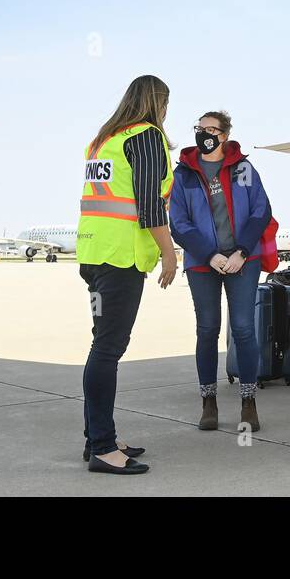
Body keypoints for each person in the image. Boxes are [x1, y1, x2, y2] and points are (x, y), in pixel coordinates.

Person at [77, 75, 178, 475]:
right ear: (159, 103)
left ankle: (97, 436)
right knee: (108, 349)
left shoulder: (104, 140)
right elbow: (150, 203)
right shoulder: (147, 136)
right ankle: (102, 447)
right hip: (121, 257)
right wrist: (169, 253)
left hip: (94, 253)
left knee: (101, 345)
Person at [170, 110, 273, 434]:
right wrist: (209, 254)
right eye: (199, 129)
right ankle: (208, 402)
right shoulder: (184, 173)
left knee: (243, 329)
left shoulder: (243, 168)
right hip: (204, 263)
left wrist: (242, 251)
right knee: (207, 329)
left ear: (224, 135)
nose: (204, 134)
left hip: (244, 259)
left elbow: (261, 211)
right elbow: (179, 223)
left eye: (211, 129)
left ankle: (248, 401)